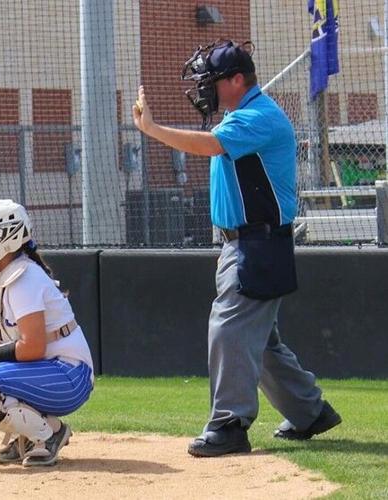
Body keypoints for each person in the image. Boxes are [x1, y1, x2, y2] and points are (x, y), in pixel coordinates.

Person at [132, 40, 341, 457]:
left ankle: (230, 423)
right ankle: (310, 411)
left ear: (237, 79)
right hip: (243, 243)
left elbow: (209, 145)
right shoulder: (238, 116)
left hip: (257, 244)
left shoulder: (257, 118)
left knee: (229, 329)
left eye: (210, 80)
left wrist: (152, 130)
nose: (203, 89)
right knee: (259, 343)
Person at [0, 199, 94, 466]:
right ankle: (27, 435)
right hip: (50, 370)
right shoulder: (5, 276)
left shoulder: (24, 278)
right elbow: (12, 341)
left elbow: (31, 348)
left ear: (7, 237)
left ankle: (48, 433)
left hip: (69, 375)